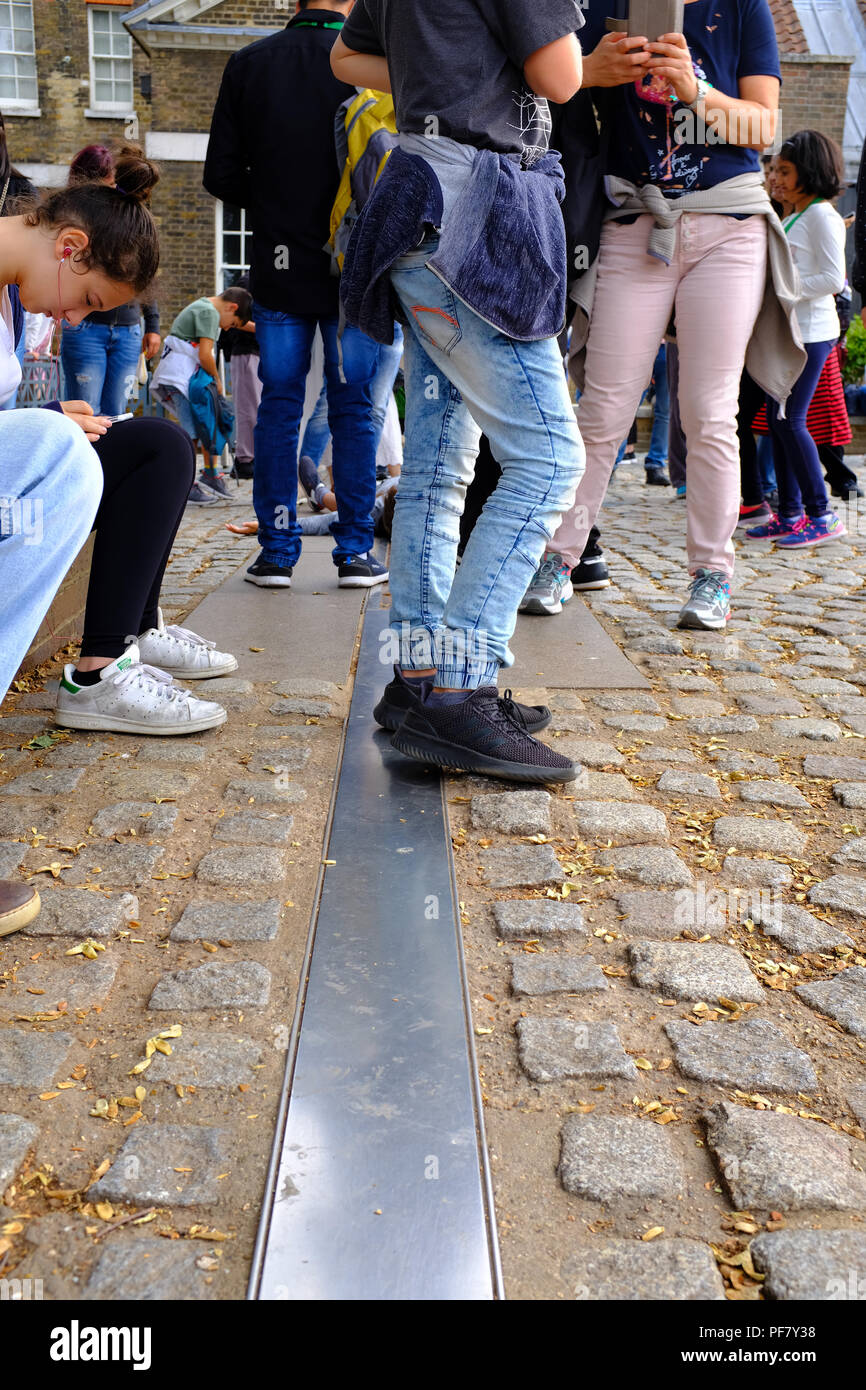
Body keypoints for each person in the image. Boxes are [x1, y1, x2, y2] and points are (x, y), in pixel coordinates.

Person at [334, 0, 586, 782]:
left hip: (418, 202)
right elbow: (562, 77)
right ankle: (460, 685)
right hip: (475, 218)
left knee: (439, 464)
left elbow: (348, 59)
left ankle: (416, 679)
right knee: (549, 460)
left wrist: (440, 78)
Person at [521, 0, 804, 630]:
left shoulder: (742, 8)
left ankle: (712, 575)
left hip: (728, 226)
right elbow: (544, 90)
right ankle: (559, 558)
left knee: (708, 412)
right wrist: (592, 70)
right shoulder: (597, 8)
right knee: (602, 407)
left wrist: (693, 87)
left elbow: (763, 127)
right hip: (633, 222)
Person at [203, 0, 388, 591]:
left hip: (281, 267)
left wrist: (278, 200)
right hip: (357, 267)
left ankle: (277, 551)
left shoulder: (251, 63)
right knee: (356, 407)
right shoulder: (378, 63)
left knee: (281, 407)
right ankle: (357, 550)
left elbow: (221, 176)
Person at [744, 131, 847, 547]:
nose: (775, 179)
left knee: (790, 420)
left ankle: (821, 514)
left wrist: (782, 288)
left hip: (812, 335)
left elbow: (832, 278)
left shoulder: (821, 215)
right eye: (773, 171)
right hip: (789, 334)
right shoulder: (794, 216)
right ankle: (789, 513)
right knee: (777, 421)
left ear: (811, 172)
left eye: (785, 172)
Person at [60, 145, 161, 417]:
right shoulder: (80, 215)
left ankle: (109, 461)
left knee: (117, 413)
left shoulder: (138, 219)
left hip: (128, 329)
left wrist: (152, 324)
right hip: (87, 327)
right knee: (86, 412)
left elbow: (145, 273)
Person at [150, 283, 251, 503]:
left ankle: (210, 474)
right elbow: (205, 355)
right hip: (179, 377)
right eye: (232, 324)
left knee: (204, 422)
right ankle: (186, 484)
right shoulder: (209, 313)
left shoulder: (207, 307)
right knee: (190, 432)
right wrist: (217, 379)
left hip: (181, 376)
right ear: (232, 307)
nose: (227, 329)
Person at [218, 272, 260, 480]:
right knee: (248, 409)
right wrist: (265, 330)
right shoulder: (247, 281)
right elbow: (234, 320)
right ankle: (244, 459)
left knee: (257, 408)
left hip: (261, 352)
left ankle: (251, 457)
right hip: (245, 351)